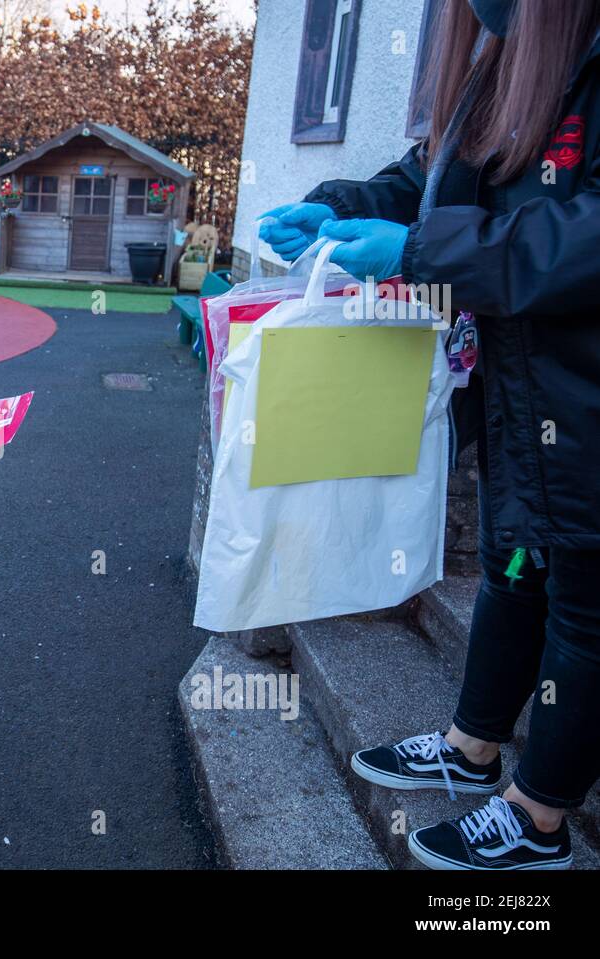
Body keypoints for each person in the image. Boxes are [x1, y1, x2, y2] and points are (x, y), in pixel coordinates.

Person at [259, 0, 600, 870]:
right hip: (519, 392)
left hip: (583, 397)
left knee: (587, 613)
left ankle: (540, 815)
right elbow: (432, 179)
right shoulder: (509, 60)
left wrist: (422, 250)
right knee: (513, 572)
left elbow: (581, 236)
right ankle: (473, 745)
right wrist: (336, 205)